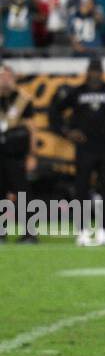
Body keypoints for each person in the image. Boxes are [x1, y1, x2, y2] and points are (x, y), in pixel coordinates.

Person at [53, 57, 105, 246]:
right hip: (85, 149)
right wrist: (67, 132)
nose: (94, 74)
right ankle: (83, 230)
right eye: (92, 71)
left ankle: (104, 230)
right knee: (81, 189)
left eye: (97, 71)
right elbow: (54, 112)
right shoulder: (77, 92)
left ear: (102, 73)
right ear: (87, 72)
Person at [0, 64, 37, 243]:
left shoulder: (22, 99)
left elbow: (31, 128)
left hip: (16, 154)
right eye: (1, 77)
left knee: (23, 194)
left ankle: (30, 233)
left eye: (7, 77)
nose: (4, 80)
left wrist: (32, 154)